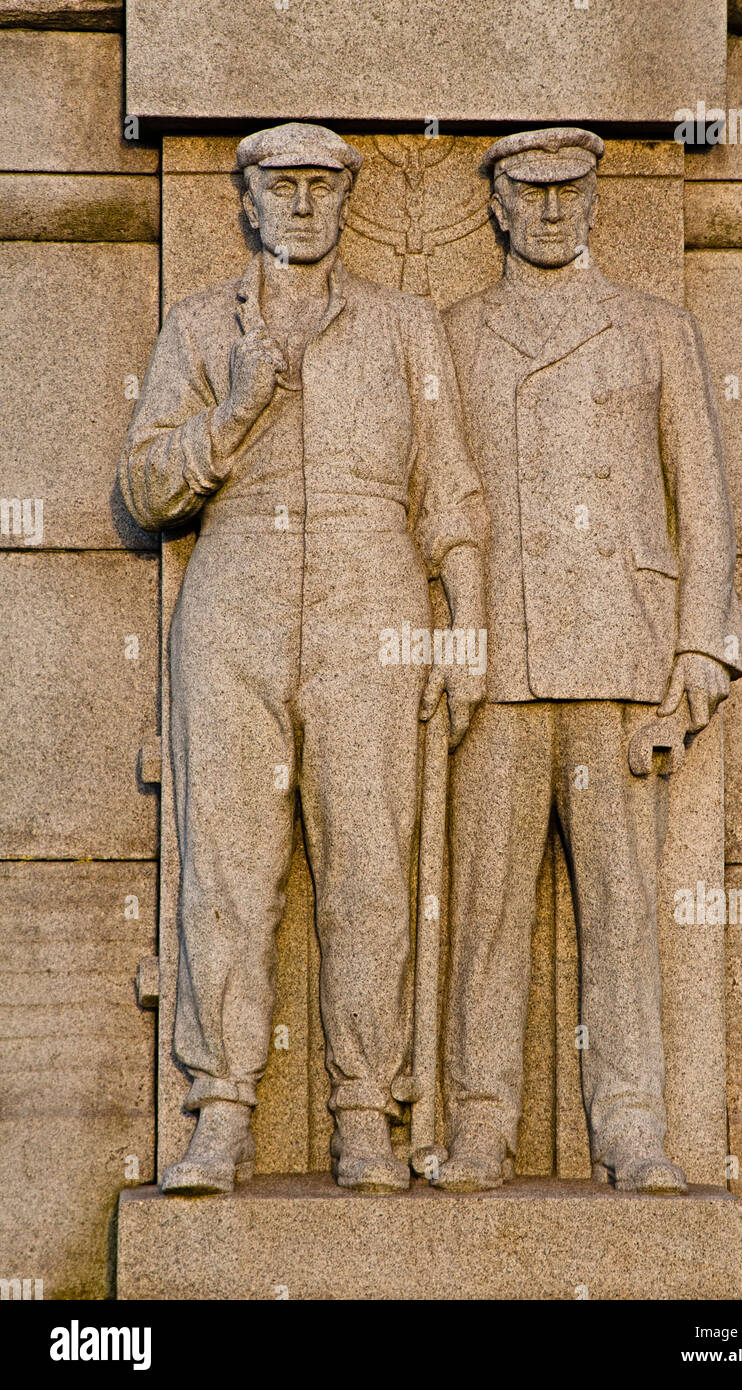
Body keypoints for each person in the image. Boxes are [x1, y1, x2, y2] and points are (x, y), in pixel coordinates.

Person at [118, 122, 487, 1194]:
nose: (301, 203)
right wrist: (230, 416)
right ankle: (221, 1111)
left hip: (371, 592)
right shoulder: (197, 327)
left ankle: (365, 1111)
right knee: (226, 864)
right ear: (246, 201)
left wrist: (461, 632)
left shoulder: (405, 327)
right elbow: (146, 489)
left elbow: (451, 490)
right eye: (279, 184)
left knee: (371, 861)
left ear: (343, 199)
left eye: (323, 184)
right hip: (234, 587)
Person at [435, 127, 742, 1193]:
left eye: (571, 190)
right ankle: (479, 1124)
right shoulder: (455, 334)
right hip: (503, 664)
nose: (553, 210)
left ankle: (632, 1126)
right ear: (498, 208)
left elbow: (702, 505)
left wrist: (698, 648)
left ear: (595, 201)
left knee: (621, 915)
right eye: (530, 192)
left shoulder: (657, 328)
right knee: (484, 912)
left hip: (619, 652)